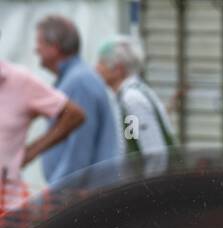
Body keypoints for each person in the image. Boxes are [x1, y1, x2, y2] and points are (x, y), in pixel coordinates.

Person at [35, 15, 120, 183]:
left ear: (54, 47)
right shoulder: (73, 79)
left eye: (40, 43)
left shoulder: (80, 82)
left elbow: (79, 153)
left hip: (82, 197)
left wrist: (55, 197)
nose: (36, 50)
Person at [0, 53, 84, 209]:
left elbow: (74, 116)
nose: (36, 50)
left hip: (7, 205)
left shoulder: (20, 80)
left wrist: (29, 153)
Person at [96, 36, 175, 157]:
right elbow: (132, 140)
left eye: (102, 63)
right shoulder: (130, 95)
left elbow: (152, 150)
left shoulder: (132, 99)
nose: (96, 68)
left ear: (118, 69)